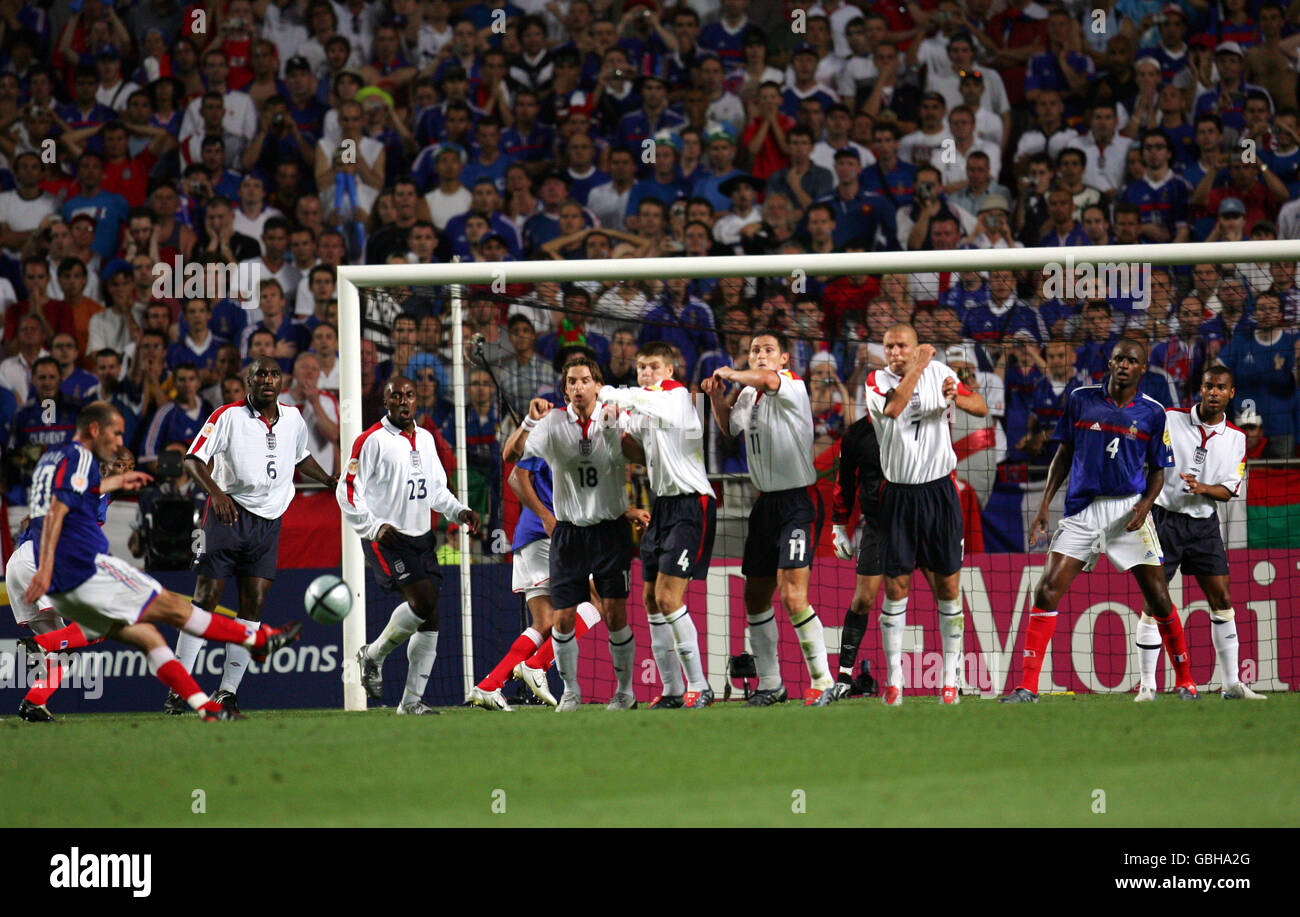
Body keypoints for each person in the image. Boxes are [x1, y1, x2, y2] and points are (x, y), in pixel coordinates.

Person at [22, 402, 302, 721]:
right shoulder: (81, 457)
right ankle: (261, 639)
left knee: (146, 636)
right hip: (82, 567)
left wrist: (114, 484)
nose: (118, 443)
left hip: (58, 576)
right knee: (177, 608)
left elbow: (66, 497)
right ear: (95, 430)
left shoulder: (52, 457)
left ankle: (206, 708)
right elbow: (58, 510)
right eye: (115, 434)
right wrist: (44, 570)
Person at [1001, 338, 1200, 703]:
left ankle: (1186, 680)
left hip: (1128, 511)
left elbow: (1158, 471)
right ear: (1110, 363)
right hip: (1083, 510)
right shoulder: (1080, 399)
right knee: (1046, 590)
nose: (1124, 364)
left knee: (1158, 598)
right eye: (1119, 358)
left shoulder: (1153, 413)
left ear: (1142, 369)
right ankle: (1027, 687)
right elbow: (1063, 454)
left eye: (1132, 360)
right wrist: (1046, 502)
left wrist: (1145, 506)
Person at [163, 357, 339, 715]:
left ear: (281, 381)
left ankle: (227, 691)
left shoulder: (293, 418)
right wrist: (216, 492)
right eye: (261, 374)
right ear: (249, 381)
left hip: (269, 524)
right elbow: (193, 460)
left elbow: (300, 457)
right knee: (206, 599)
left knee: (253, 606)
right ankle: (179, 687)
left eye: (274, 374)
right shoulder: (226, 417)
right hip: (228, 516)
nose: (268, 380)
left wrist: (329, 481)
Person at [501, 355, 643, 711]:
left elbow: (641, 455)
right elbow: (511, 454)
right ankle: (571, 692)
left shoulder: (613, 416)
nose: (578, 387)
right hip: (568, 535)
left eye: (584, 380)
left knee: (613, 615)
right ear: (565, 389)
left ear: (597, 385)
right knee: (562, 618)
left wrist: (619, 435)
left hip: (610, 533)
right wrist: (530, 421)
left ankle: (625, 692)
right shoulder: (551, 423)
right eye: (572, 382)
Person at [701, 330, 834, 705]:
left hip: (797, 502)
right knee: (755, 597)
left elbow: (766, 379)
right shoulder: (746, 395)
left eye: (767, 350)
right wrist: (715, 398)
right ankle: (772, 683)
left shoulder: (791, 385)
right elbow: (728, 428)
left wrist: (731, 370)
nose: (760, 355)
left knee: (793, 596)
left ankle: (823, 681)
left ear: (784, 358)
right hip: (765, 506)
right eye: (755, 350)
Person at [862, 325, 988, 705]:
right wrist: (918, 366)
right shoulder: (875, 381)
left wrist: (956, 398)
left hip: (939, 493)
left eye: (902, 346)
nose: (895, 352)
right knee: (897, 587)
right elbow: (895, 407)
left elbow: (980, 407)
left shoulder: (941, 373)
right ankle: (895, 682)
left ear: (915, 346)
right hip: (898, 495)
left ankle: (950, 681)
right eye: (889, 346)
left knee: (948, 587)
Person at [340, 376, 481, 715]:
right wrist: (373, 527)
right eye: (396, 396)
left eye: (409, 395)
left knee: (430, 617)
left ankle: (411, 702)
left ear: (416, 401)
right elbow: (345, 491)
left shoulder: (427, 439)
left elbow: (436, 489)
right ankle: (372, 655)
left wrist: (459, 510)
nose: (404, 401)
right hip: (388, 538)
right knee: (424, 601)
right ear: (385, 402)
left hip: (421, 537)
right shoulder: (370, 441)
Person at [600, 341, 717, 708]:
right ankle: (671, 690)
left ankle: (701, 685)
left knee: (668, 597)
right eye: (641, 368)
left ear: (669, 370)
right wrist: (612, 427)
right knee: (651, 599)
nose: (646, 373)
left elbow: (636, 403)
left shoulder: (677, 396)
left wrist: (607, 393)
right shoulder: (646, 405)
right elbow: (632, 447)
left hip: (690, 502)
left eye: (653, 367)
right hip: (663, 504)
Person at [1136, 367, 1263, 701]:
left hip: (1204, 524)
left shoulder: (1236, 438)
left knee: (1222, 600)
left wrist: (1202, 488)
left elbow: (1228, 491)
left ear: (1231, 393)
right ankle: (1147, 685)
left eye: (1221, 387)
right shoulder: (1171, 418)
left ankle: (1231, 684)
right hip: (1165, 520)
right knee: (1154, 601)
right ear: (1201, 388)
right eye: (1208, 386)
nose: (1213, 392)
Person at [7, 446, 133, 721]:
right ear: (104, 467)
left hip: (19, 564)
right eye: (121, 465)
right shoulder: (94, 486)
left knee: (68, 644)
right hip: (40, 561)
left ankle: (34, 701)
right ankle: (42, 644)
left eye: (131, 466)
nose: (128, 472)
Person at [468, 454, 602, 711]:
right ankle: (536, 665)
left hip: (530, 536)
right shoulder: (558, 429)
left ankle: (489, 686)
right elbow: (514, 475)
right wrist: (545, 516)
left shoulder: (563, 431)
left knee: (544, 624)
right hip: (548, 534)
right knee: (600, 599)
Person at [820, 412, 886, 704]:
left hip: (919, 517)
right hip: (878, 524)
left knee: (943, 589)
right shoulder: (856, 435)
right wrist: (838, 525)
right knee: (863, 598)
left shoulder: (912, 420)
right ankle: (845, 677)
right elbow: (844, 480)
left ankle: (953, 676)